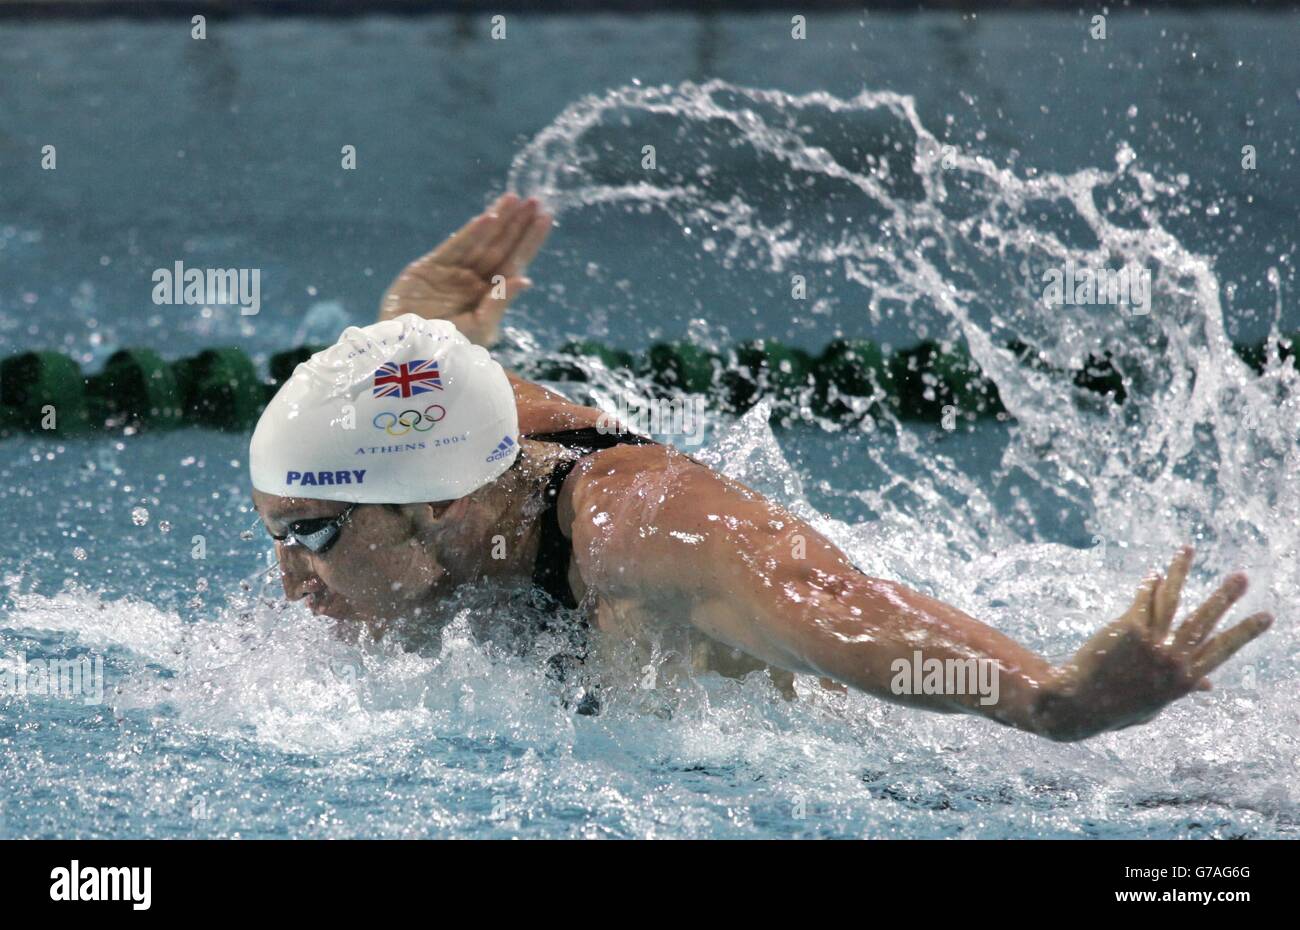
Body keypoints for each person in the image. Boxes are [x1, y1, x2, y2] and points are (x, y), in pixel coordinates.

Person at [250, 193, 1273, 741]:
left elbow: (832, 603)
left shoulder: (653, 535)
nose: (290, 584)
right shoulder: (446, 461)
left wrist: (1053, 703)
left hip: (939, 777)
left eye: (313, 538)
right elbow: (394, 427)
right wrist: (413, 334)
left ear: (438, 506)